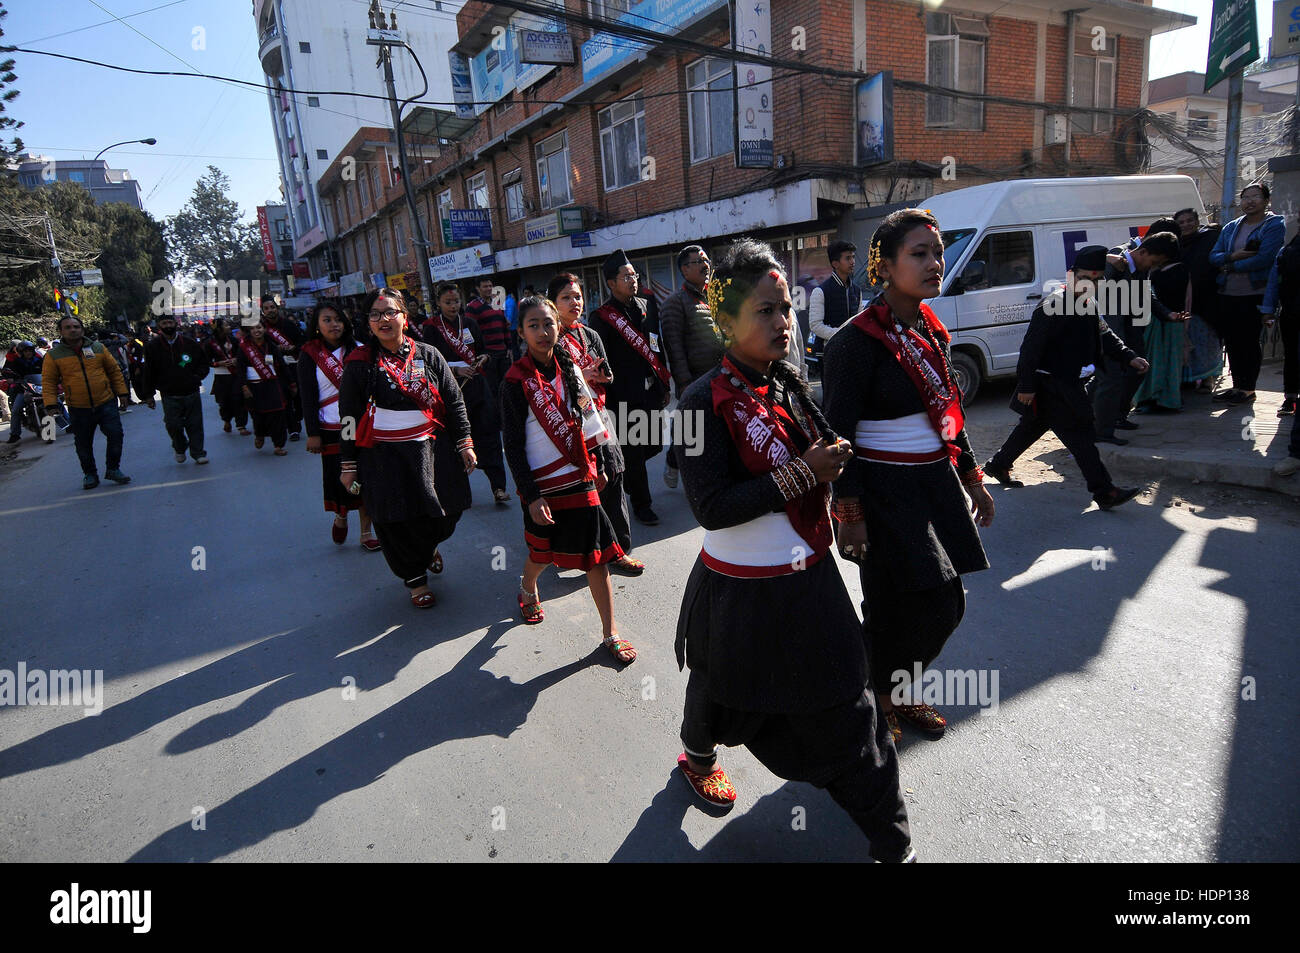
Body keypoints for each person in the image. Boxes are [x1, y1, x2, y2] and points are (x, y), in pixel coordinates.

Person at [672, 237, 912, 861]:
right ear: (726, 323)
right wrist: (804, 475)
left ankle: (892, 841)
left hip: (808, 578)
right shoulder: (699, 403)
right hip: (737, 591)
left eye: (786, 308)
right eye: (766, 311)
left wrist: (846, 494)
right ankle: (696, 757)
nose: (784, 322)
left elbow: (826, 445)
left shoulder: (787, 382)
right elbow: (711, 507)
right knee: (718, 690)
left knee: (846, 699)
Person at [822, 208, 994, 744]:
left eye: (937, 253)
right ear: (884, 265)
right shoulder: (855, 342)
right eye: (919, 254)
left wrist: (972, 478)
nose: (934, 263)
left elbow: (946, 415)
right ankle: (876, 695)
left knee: (948, 603)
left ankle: (896, 687)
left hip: (934, 485)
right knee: (901, 604)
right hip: (883, 492)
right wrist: (848, 515)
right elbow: (838, 437)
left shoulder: (931, 330)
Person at [500, 295, 633, 662]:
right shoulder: (514, 381)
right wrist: (530, 494)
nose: (543, 332)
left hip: (579, 475)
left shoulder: (570, 367)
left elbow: (591, 420)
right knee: (543, 554)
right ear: (521, 332)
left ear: (559, 326)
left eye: (548, 324)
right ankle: (528, 587)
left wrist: (602, 463)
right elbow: (512, 444)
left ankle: (610, 633)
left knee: (596, 555)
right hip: (542, 484)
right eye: (534, 325)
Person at [983, 245, 1149, 508]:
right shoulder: (1053, 304)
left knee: (1033, 426)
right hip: (1051, 383)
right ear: (1071, 274)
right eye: (1085, 277)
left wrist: (1129, 356)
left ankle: (998, 464)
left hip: (1067, 380)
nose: (1091, 283)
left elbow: (1104, 335)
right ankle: (1104, 491)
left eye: (1097, 279)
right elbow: (1030, 349)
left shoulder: (1088, 303)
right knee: (1081, 434)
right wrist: (1026, 386)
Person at [338, 288, 475, 607]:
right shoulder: (359, 363)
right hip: (383, 454)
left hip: (432, 448)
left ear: (404, 315)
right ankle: (415, 579)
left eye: (390, 312)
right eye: (374, 314)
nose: (383, 320)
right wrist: (348, 463)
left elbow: (454, 400)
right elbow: (348, 416)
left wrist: (464, 440)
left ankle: (428, 548)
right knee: (394, 518)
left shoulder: (428, 354)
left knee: (447, 510)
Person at [549, 272, 646, 576]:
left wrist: (601, 376)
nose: (574, 302)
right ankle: (582, 551)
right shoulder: (549, 339)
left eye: (577, 296)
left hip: (600, 415)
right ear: (553, 302)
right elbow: (546, 385)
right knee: (584, 489)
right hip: (570, 425)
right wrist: (580, 376)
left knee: (614, 478)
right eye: (566, 297)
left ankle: (618, 549)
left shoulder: (589, 334)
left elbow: (609, 374)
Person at [591, 249, 671, 526]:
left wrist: (664, 381)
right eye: (626, 276)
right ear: (611, 283)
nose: (632, 280)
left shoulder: (647, 303)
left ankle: (629, 479)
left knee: (651, 445)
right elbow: (599, 360)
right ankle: (642, 504)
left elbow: (655, 343)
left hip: (650, 391)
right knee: (635, 450)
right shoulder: (601, 317)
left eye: (634, 274)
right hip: (623, 396)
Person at [298, 303, 378, 551]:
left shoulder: (360, 349)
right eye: (327, 320)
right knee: (341, 478)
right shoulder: (310, 353)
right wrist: (312, 433)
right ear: (317, 326)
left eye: (338, 319)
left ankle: (366, 532)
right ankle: (341, 515)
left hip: (358, 423)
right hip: (330, 427)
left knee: (365, 476)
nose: (334, 324)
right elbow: (307, 396)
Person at [422, 281, 510, 504]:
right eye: (448, 302)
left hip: (477, 386)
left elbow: (482, 350)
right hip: (450, 389)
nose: (453, 306)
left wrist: (484, 358)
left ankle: (498, 486)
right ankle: (457, 491)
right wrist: (455, 369)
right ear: (439, 303)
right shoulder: (431, 327)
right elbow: (426, 362)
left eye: (456, 301)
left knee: (489, 434)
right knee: (454, 439)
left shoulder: (469, 323)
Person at [1091, 230, 1179, 444]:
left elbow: (1146, 293)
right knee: (1110, 378)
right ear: (1144, 252)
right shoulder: (1114, 261)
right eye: (1154, 262)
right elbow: (1087, 291)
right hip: (1106, 332)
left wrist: (1167, 314)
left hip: (1129, 330)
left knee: (1137, 368)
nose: (1153, 268)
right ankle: (1100, 432)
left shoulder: (1140, 268)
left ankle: (1113, 415)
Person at [1209, 182, 1286, 406]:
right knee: (1232, 341)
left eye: (1255, 196)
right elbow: (1214, 256)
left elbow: (1265, 258)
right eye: (1245, 197)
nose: (1249, 201)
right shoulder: (1232, 226)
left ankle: (1248, 388)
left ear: (1266, 201)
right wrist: (1234, 257)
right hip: (1228, 291)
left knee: (1249, 341)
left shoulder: (1273, 225)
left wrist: (1230, 265)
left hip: (1254, 292)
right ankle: (1237, 386)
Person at [658, 245, 724, 490]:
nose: (705, 265)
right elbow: (674, 347)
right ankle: (674, 461)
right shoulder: (674, 303)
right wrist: (684, 383)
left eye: (706, 260)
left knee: (715, 430)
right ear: (685, 269)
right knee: (690, 431)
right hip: (694, 379)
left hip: (719, 376)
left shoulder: (714, 297)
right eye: (698, 261)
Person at [42, 315, 132, 489]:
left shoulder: (98, 348)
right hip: (78, 406)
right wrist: (51, 404)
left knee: (115, 435)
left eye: (76, 326)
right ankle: (90, 474)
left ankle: (113, 469)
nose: (72, 329)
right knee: (83, 443)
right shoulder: (53, 355)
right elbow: (48, 381)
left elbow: (114, 371)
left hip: (105, 402)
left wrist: (122, 393)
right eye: (67, 327)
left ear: (82, 330)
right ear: (61, 332)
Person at [1133, 219, 1191, 413]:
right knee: (1150, 361)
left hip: (1169, 320)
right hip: (1152, 321)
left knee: (1169, 364)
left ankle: (1166, 400)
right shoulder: (1139, 262)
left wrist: (1171, 315)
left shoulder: (1180, 267)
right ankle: (1146, 399)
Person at [141, 313, 211, 464]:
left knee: (195, 424)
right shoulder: (152, 347)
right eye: (164, 323)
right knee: (173, 425)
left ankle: (198, 452)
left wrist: (197, 377)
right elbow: (148, 371)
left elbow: (203, 363)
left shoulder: (189, 343)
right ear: (159, 326)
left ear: (175, 324)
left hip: (191, 391)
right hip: (169, 394)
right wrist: (149, 395)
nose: (168, 326)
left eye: (170, 323)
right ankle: (179, 447)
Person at [1174, 207, 1224, 392]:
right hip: (1182, 301)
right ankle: (1187, 379)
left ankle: (1207, 378)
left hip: (1207, 300)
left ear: (1197, 221)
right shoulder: (1175, 244)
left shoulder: (1210, 238)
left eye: (1189, 220)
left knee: (1207, 340)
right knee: (1187, 341)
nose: (1186, 225)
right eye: (1181, 222)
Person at [1259, 212, 1300, 418]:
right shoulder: (1288, 251)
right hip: (1292, 312)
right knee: (1292, 356)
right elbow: (1274, 281)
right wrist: (1268, 310)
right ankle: (1291, 398)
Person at [234, 319, 290, 455]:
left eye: (259, 327)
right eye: (253, 329)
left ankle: (278, 445)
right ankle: (259, 434)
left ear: (264, 329)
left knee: (277, 414)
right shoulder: (244, 348)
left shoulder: (271, 346)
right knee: (258, 416)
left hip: (272, 384)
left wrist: (291, 382)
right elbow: (240, 369)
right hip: (254, 386)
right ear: (249, 331)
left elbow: (282, 365)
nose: (256, 331)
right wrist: (244, 386)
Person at [259, 295, 305, 439]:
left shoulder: (288, 325)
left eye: (272, 307)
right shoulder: (261, 329)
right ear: (262, 311)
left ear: (277, 308)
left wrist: (293, 347)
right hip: (275, 367)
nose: (270, 310)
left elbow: (302, 343)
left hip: (293, 365)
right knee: (284, 397)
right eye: (266, 308)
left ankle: (297, 418)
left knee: (297, 396)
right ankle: (293, 429)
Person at [807, 239, 862, 344]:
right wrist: (841, 334)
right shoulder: (820, 291)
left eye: (853, 257)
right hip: (827, 351)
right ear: (835, 264)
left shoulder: (857, 290)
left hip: (852, 350)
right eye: (848, 258)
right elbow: (815, 325)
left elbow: (859, 321)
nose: (853, 262)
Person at [465, 276, 512, 396]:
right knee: (493, 389)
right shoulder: (472, 307)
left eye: (490, 286)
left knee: (507, 386)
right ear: (478, 289)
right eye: (485, 286)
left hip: (503, 353)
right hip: (488, 356)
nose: (489, 289)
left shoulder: (497, 304)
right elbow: (469, 333)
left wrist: (509, 348)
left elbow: (504, 326)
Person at [205, 318, 249, 435]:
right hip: (221, 376)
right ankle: (227, 420)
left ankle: (241, 425)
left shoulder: (234, 340)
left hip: (235, 375)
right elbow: (206, 360)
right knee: (224, 402)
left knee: (239, 399)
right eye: (226, 325)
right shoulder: (210, 343)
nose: (229, 327)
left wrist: (236, 360)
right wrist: (218, 363)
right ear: (219, 328)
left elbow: (242, 354)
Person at [5, 342, 49, 444]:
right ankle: (15, 434)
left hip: (39, 388)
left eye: (30, 350)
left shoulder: (39, 360)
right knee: (16, 409)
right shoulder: (16, 362)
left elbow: (48, 370)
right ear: (21, 352)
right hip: (24, 390)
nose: (28, 353)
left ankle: (68, 423)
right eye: (25, 351)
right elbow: (8, 371)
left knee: (55, 402)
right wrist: (10, 378)